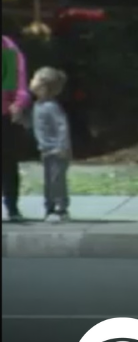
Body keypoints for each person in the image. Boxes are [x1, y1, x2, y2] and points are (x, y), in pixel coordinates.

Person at [30, 67, 72, 223]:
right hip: (46, 150)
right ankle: (49, 207)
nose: (31, 81)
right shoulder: (38, 105)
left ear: (43, 85)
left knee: (57, 180)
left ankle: (61, 208)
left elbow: (62, 126)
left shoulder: (51, 106)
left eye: (34, 78)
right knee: (49, 180)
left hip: (57, 150)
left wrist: (62, 146)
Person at [1, 33, 31, 222]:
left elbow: (15, 81)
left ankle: (12, 206)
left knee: (7, 161)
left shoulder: (5, 47)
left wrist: (19, 103)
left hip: (3, 114)